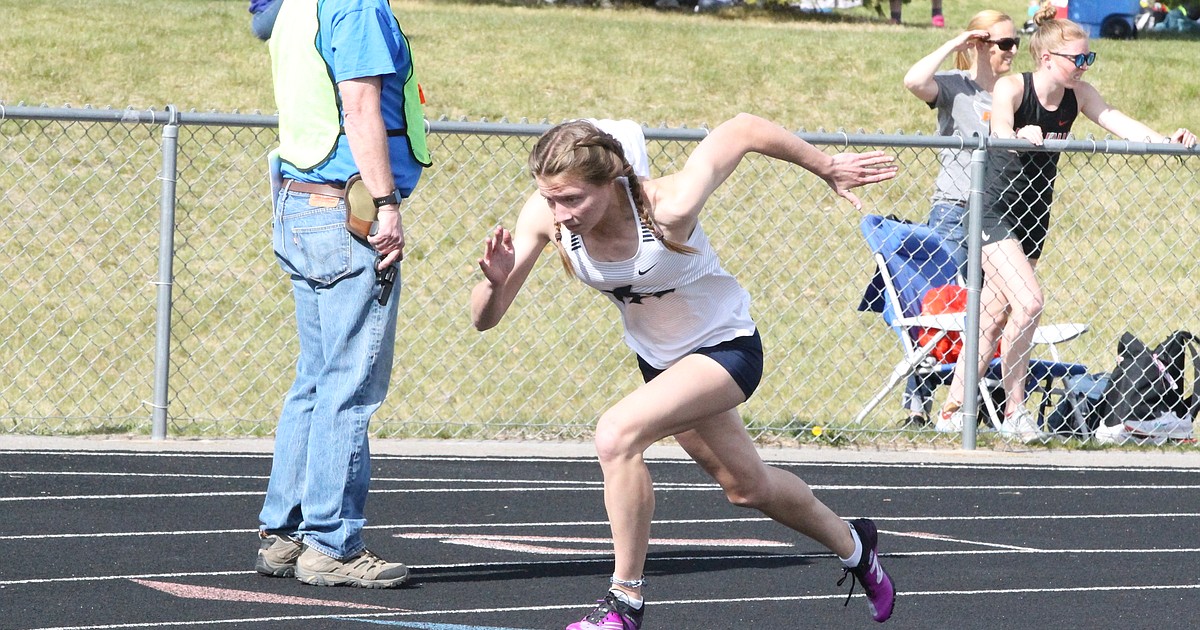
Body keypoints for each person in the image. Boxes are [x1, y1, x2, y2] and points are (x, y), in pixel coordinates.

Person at [470, 115, 899, 628]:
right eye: (550, 198)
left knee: (617, 435)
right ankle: (855, 546)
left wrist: (826, 165)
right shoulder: (546, 216)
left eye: (572, 199)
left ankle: (624, 602)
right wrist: (495, 284)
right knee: (748, 488)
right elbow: (485, 320)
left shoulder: (666, 207)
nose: (560, 213)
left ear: (612, 182)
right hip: (665, 365)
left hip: (727, 350)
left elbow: (740, 131)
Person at [934, 3, 1196, 442]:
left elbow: (1117, 121)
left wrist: (1167, 139)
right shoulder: (1013, 87)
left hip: (1034, 213)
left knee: (995, 315)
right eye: (1078, 59)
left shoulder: (1079, 95)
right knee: (1030, 303)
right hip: (993, 209)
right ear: (1046, 58)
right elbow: (998, 127)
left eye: (1088, 58)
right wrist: (1019, 136)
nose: (1083, 66)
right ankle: (1016, 411)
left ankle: (952, 411)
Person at [255, 0, 431, 588]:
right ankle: (331, 542)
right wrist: (385, 203)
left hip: (301, 201)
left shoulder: (294, 8)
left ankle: (286, 531)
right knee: (348, 384)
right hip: (344, 209)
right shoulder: (354, 6)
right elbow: (360, 106)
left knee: (314, 377)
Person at [898, 9, 1018, 429]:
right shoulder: (956, 86)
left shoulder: (1014, 92)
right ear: (982, 46)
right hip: (954, 209)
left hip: (1000, 213)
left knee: (993, 309)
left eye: (1016, 42)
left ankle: (975, 404)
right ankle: (917, 403)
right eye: (1004, 43)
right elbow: (913, 81)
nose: (1013, 50)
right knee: (941, 305)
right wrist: (955, 44)